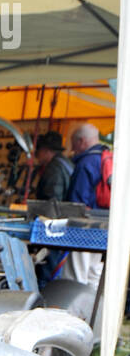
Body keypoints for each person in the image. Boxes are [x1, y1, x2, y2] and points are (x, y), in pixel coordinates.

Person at [60, 123, 110, 290]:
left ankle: (72, 313)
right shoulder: (106, 158)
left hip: (83, 228)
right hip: (103, 226)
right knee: (94, 274)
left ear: (81, 141)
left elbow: (77, 201)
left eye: (73, 143)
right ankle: (92, 312)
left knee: (76, 276)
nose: (72, 148)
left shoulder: (85, 163)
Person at [32, 131, 73, 201]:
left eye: (39, 150)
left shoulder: (54, 168)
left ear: (47, 150)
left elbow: (52, 199)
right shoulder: (66, 162)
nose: (37, 153)